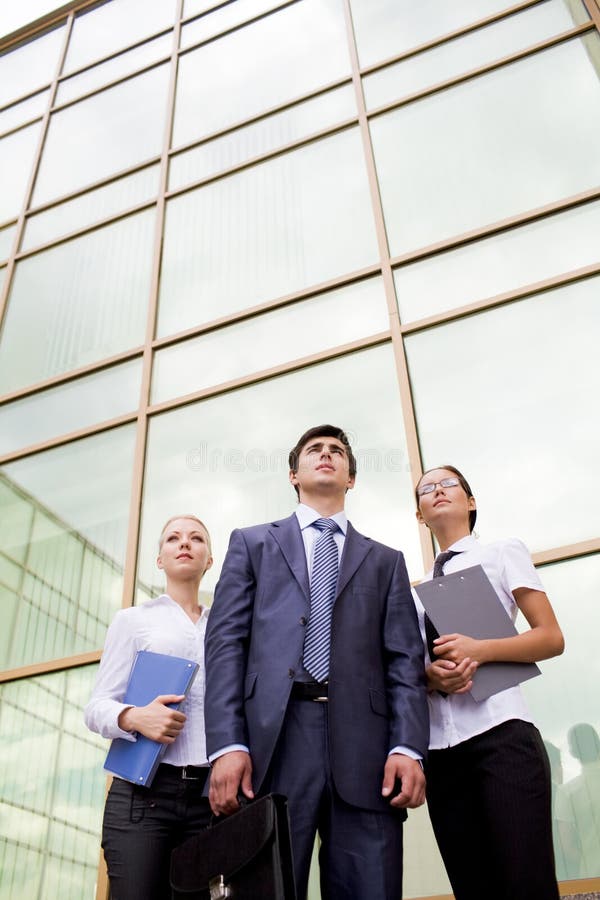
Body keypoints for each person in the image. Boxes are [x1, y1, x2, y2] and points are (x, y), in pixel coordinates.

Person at [204, 424, 429, 900]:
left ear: (351, 478)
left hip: (367, 750)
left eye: (337, 451)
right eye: (314, 450)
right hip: (274, 744)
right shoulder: (251, 544)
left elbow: (404, 662)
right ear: (294, 475)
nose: (326, 454)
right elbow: (225, 646)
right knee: (268, 888)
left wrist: (408, 748)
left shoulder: (386, 561)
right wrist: (227, 744)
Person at [413, 465, 565, 900]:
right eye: (426, 489)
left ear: (471, 501)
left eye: (448, 484)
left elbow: (551, 638)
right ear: (420, 514)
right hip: (442, 753)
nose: (438, 491)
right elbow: (412, 669)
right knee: (472, 888)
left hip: (502, 738)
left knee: (526, 884)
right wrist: (429, 677)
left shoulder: (500, 552)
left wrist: (481, 650)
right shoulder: (414, 590)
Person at [84, 515, 214, 900]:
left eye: (196, 538)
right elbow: (96, 708)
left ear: (209, 560)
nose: (184, 543)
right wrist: (134, 716)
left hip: (209, 801)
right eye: (173, 538)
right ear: (160, 560)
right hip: (143, 798)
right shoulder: (133, 620)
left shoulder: (225, 627)